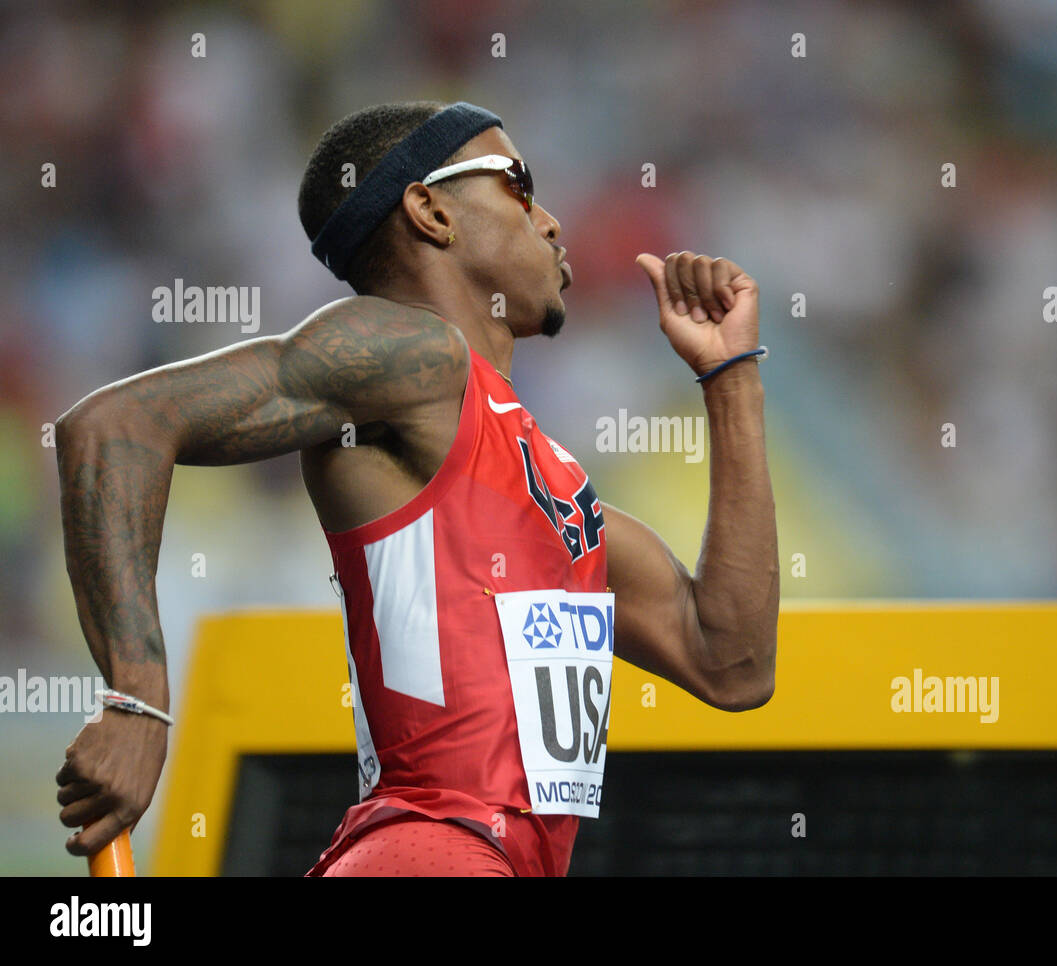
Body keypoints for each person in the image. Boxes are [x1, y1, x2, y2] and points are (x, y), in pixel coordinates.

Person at [54, 100, 778, 876]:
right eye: (519, 186)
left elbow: (731, 663)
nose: (553, 222)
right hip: (431, 849)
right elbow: (116, 426)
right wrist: (137, 700)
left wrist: (729, 378)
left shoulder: (557, 487)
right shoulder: (412, 352)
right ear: (431, 210)